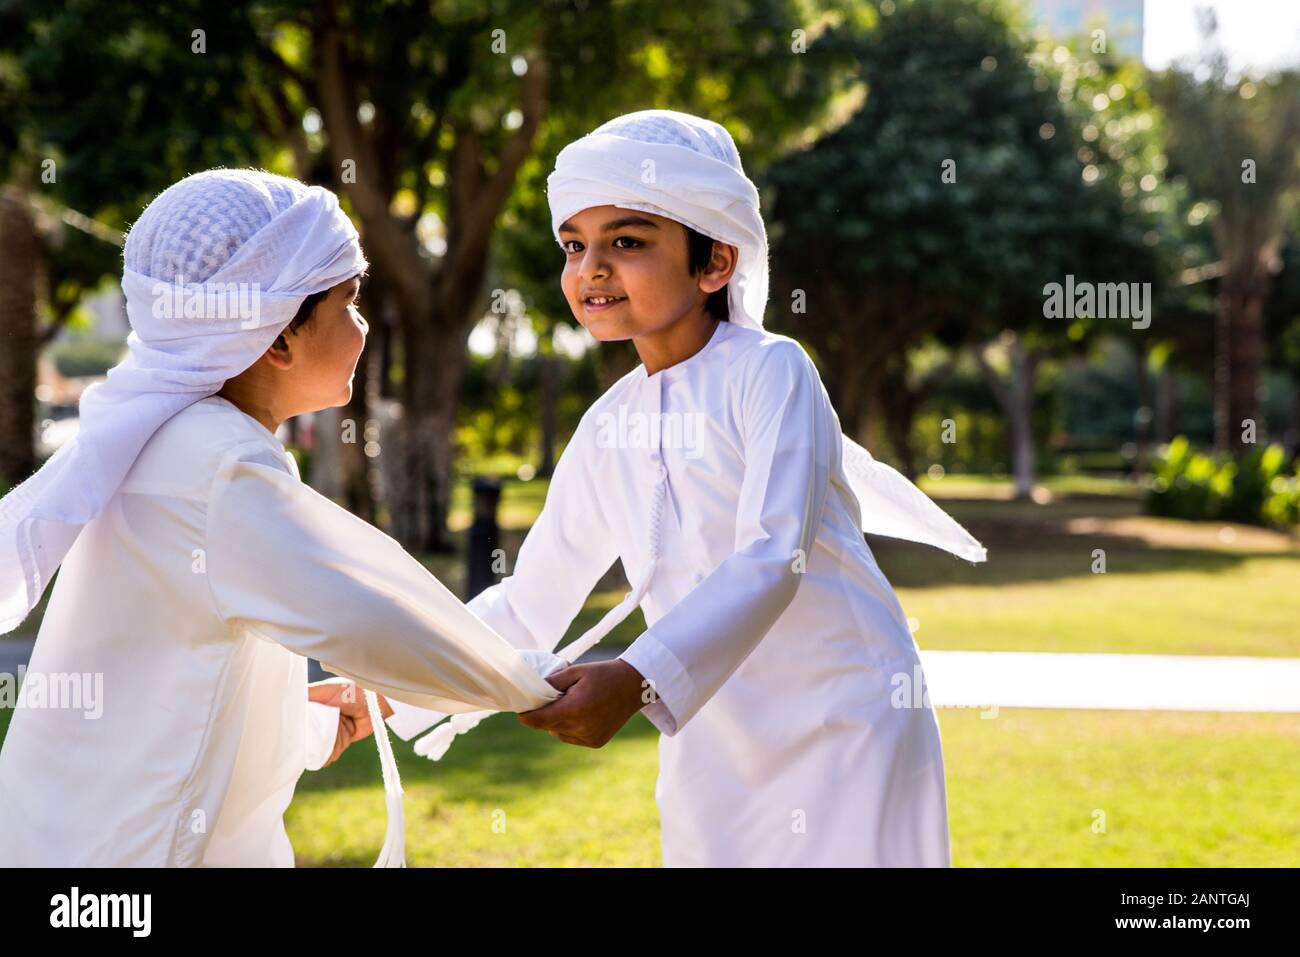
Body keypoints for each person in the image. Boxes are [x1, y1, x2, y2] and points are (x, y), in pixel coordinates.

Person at [395, 110, 985, 866]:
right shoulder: (609, 422)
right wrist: (391, 681)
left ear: (715, 264)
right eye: (574, 244)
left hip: (845, 715)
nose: (591, 269)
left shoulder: (773, 371)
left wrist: (636, 678)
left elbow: (774, 556)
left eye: (627, 241)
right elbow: (527, 601)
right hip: (710, 726)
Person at [0, 169, 564, 867]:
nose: (363, 327)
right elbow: (367, 615)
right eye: (349, 302)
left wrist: (318, 721)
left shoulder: (172, 444)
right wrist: (533, 683)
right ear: (277, 337)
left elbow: (171, 674)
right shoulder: (220, 463)